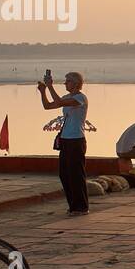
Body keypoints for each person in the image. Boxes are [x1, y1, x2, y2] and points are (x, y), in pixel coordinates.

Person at [39, 71, 90, 215]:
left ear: (75, 83)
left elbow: (60, 102)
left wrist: (50, 86)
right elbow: (48, 106)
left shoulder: (80, 98)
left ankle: (81, 206)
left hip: (76, 139)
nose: (65, 83)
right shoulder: (67, 97)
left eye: (67, 81)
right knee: (64, 173)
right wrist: (43, 91)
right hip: (66, 139)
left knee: (76, 174)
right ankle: (73, 205)